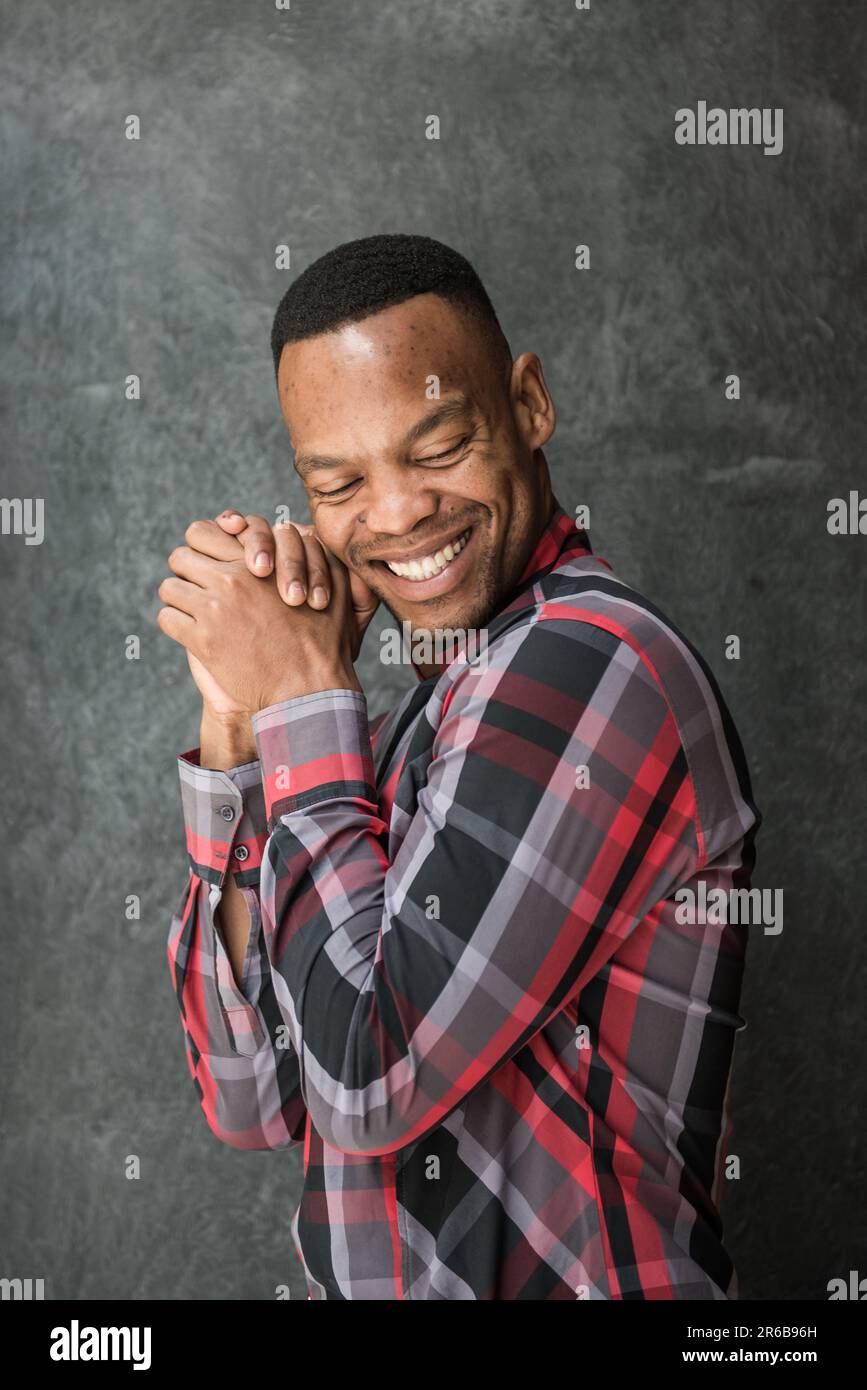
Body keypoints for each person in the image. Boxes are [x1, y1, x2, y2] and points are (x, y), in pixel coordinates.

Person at [157, 232, 761, 1300]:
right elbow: (252, 1097)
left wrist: (301, 697)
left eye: (436, 447)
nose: (395, 516)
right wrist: (239, 730)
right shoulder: (410, 728)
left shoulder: (589, 660)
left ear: (528, 405)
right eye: (339, 481)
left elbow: (373, 1077)